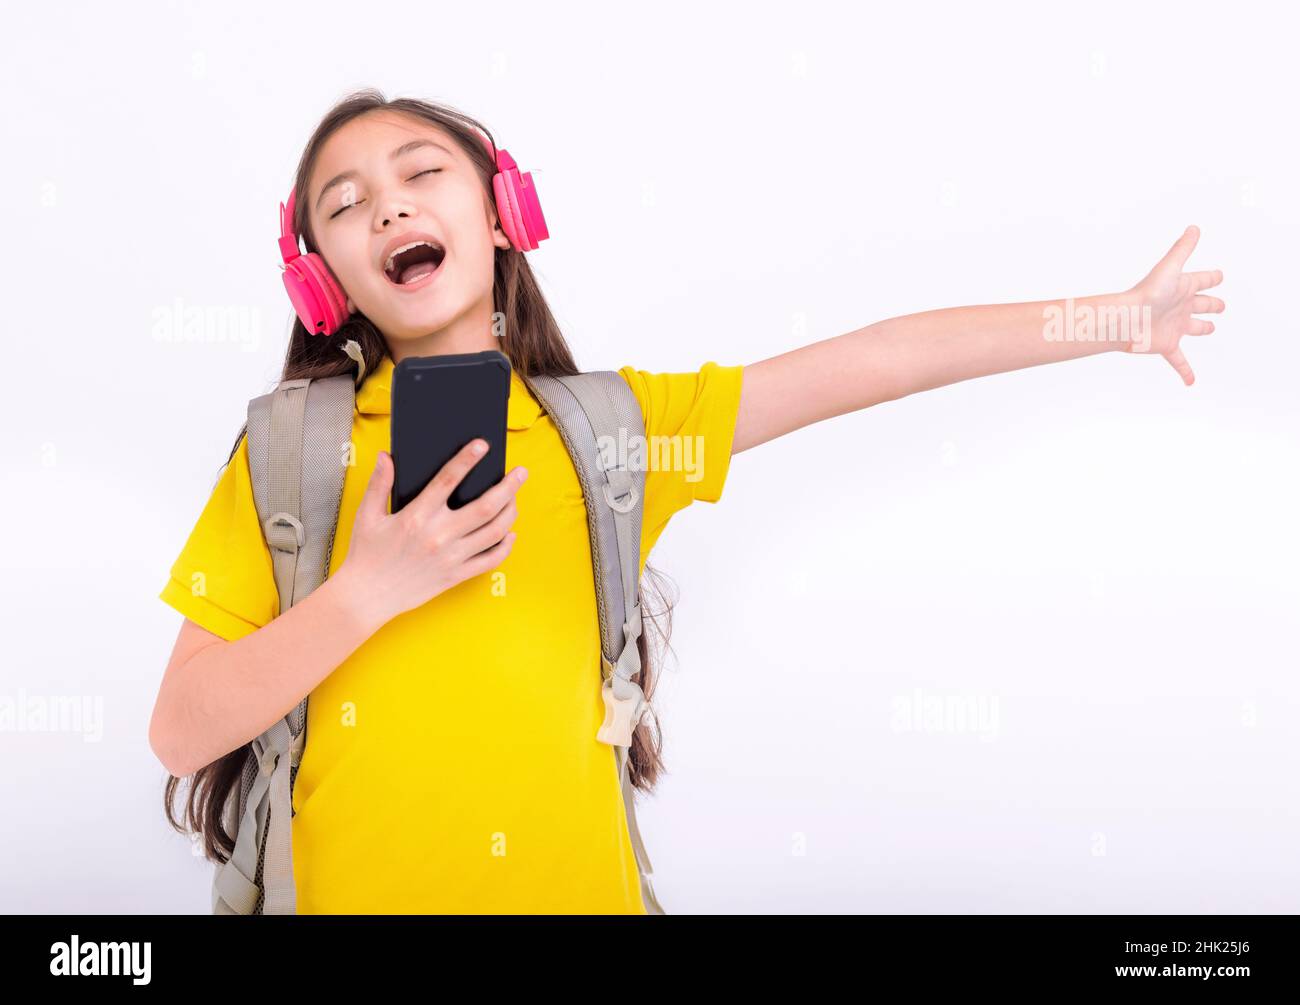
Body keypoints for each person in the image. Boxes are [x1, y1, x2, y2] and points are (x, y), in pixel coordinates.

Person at [150, 88, 1226, 914]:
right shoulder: (289, 454)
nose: (385, 202)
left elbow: (877, 360)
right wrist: (368, 592)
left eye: (421, 172)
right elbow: (180, 731)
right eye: (344, 203)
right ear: (322, 278)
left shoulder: (615, 433)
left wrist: (1113, 321)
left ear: (503, 215)